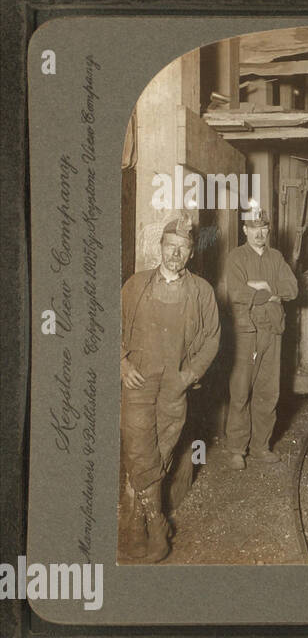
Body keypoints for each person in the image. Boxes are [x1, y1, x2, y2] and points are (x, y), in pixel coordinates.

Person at [120, 216, 220, 562]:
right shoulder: (135, 286)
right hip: (139, 380)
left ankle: (135, 521)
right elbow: (111, 325)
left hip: (175, 385)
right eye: (170, 246)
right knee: (138, 447)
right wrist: (122, 363)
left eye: (183, 248)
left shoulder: (202, 292)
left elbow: (211, 340)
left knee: (162, 450)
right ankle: (156, 523)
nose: (175, 253)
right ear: (159, 248)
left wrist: (190, 374)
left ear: (191, 253)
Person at [224, 209, 299, 470]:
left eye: (264, 228)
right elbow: (236, 292)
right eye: (253, 228)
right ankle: (236, 448)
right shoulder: (236, 257)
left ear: (268, 229)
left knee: (268, 391)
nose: (259, 233)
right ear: (245, 230)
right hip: (247, 331)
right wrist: (269, 294)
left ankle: (260, 446)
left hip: (272, 331)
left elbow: (292, 289)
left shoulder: (276, 257)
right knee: (241, 390)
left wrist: (262, 287)